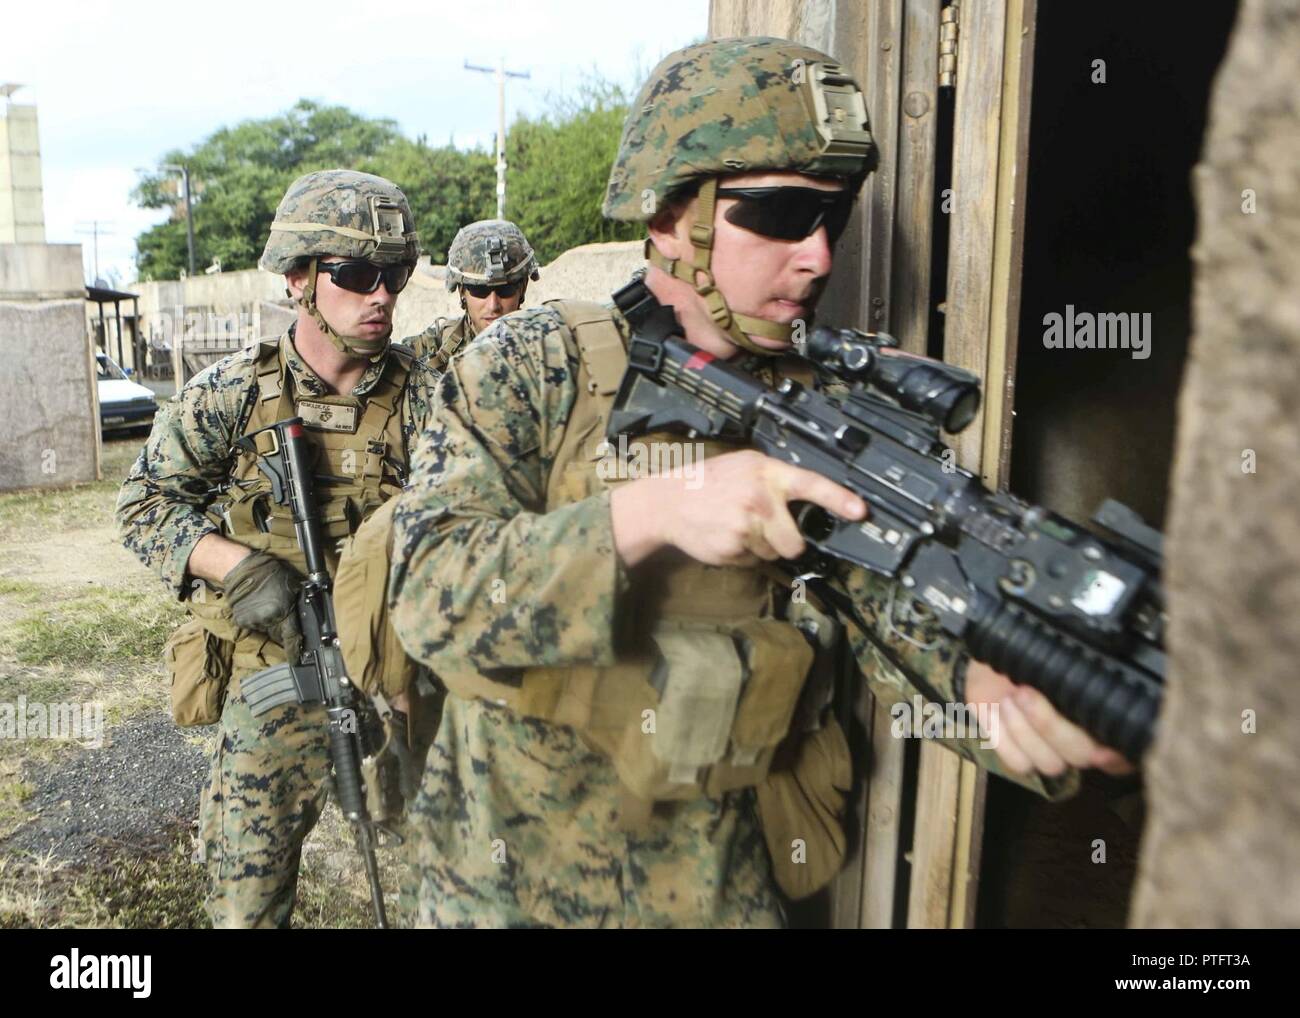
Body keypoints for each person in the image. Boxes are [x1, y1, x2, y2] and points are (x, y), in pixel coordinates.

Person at [389, 37, 1133, 929]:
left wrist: (992, 698)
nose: (817, 256)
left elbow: (895, 622)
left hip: (717, 883)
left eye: (834, 216)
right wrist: (649, 513)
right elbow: (429, 593)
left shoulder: (831, 408)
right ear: (671, 217)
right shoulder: (531, 364)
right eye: (779, 216)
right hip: (501, 884)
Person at [117, 169, 437, 928]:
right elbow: (143, 504)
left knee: (453, 872)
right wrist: (235, 564)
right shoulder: (230, 393)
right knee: (246, 902)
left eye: (394, 275)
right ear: (299, 279)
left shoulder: (430, 392)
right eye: (357, 274)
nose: (381, 294)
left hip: (397, 670)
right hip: (276, 673)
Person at [403, 219, 539, 369]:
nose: (493, 305)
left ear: (523, 288)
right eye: (480, 290)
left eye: (505, 290)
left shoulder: (545, 350)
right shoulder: (432, 348)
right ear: (462, 292)